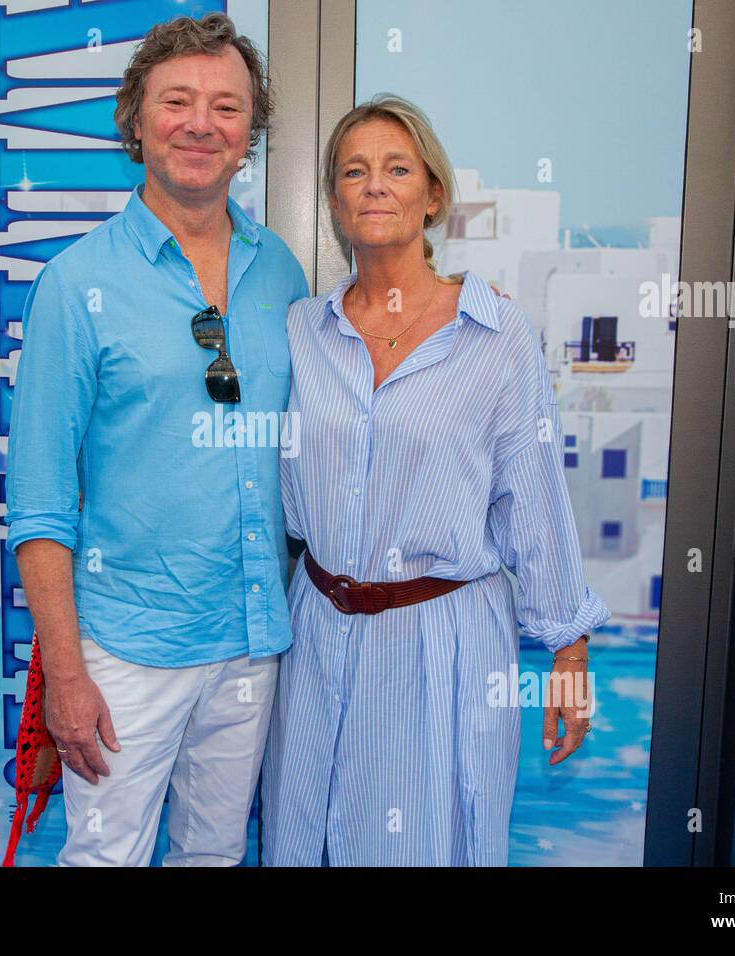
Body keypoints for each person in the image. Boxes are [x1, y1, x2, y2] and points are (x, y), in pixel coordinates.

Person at [261, 95, 610, 866]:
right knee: (300, 839)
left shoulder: (494, 334)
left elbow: (536, 495)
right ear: (333, 202)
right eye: (354, 172)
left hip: (442, 645)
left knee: (426, 842)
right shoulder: (301, 332)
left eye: (396, 168)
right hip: (315, 637)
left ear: (434, 195)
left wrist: (569, 652)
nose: (375, 185)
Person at [4, 13, 308, 866]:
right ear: (136, 119)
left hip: (250, 639)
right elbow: (37, 502)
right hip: (124, 650)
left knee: (212, 858)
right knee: (104, 859)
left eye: (227, 106)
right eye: (177, 101)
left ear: (251, 133)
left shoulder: (280, 269)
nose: (201, 123)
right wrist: (66, 673)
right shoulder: (76, 283)